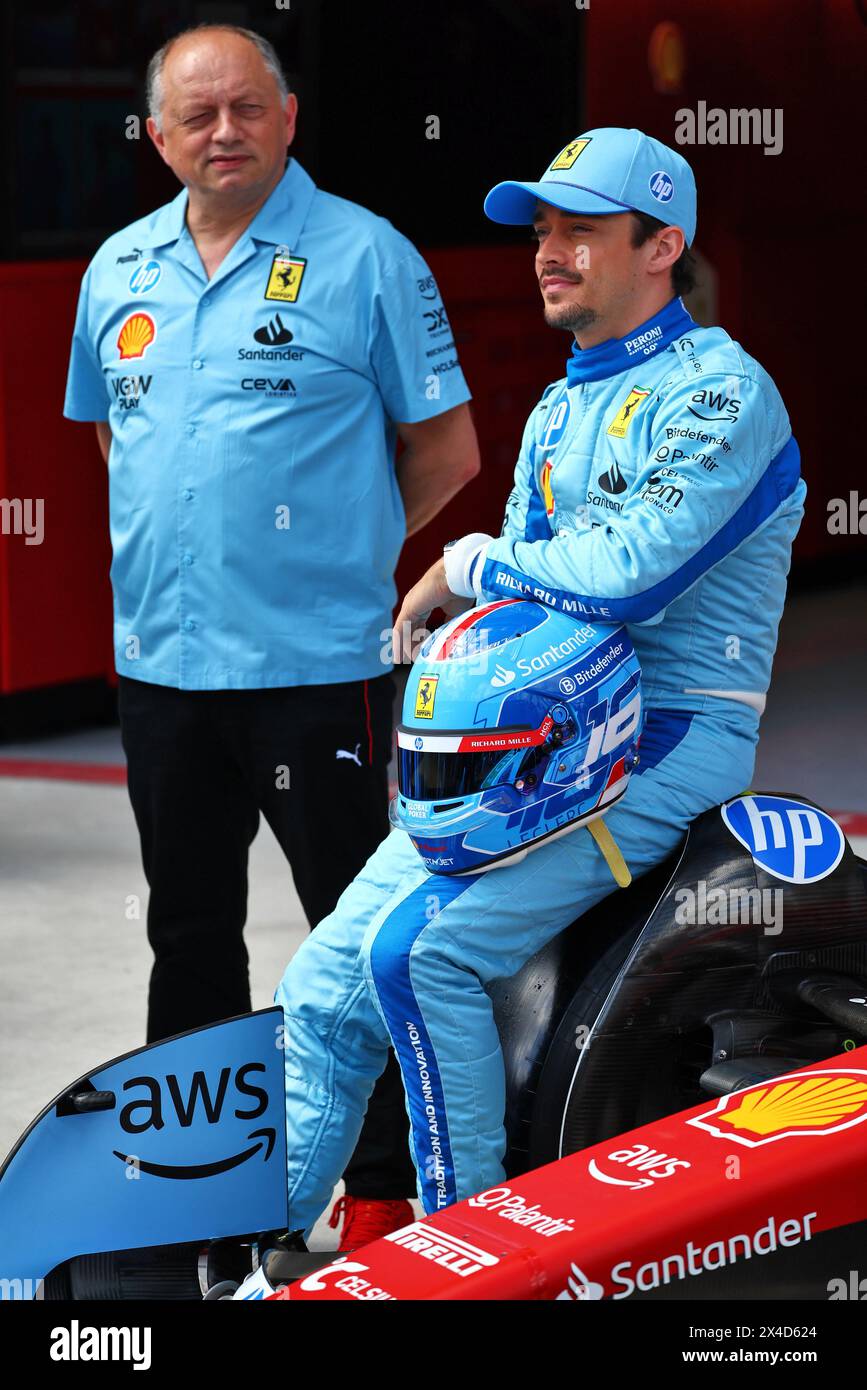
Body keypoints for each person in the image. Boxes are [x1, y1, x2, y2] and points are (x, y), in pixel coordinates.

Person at [273, 126, 805, 1237]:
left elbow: (626, 579)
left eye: (581, 232)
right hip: (541, 736)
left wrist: (464, 561)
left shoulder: (723, 390)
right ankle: (245, 1246)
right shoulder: (562, 405)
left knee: (426, 954)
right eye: (543, 231)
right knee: (326, 981)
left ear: (664, 245)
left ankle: (471, 1248)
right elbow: (529, 606)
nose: (548, 252)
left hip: (671, 732)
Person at [62, 23, 480, 1248]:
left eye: (247, 107)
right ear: (157, 136)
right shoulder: (116, 270)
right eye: (197, 117)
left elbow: (447, 451)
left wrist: (339, 552)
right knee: (186, 932)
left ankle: (395, 1181)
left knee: (361, 932)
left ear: (290, 115)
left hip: (319, 670)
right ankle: (202, 1180)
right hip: (163, 673)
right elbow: (118, 444)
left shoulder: (367, 257)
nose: (224, 132)